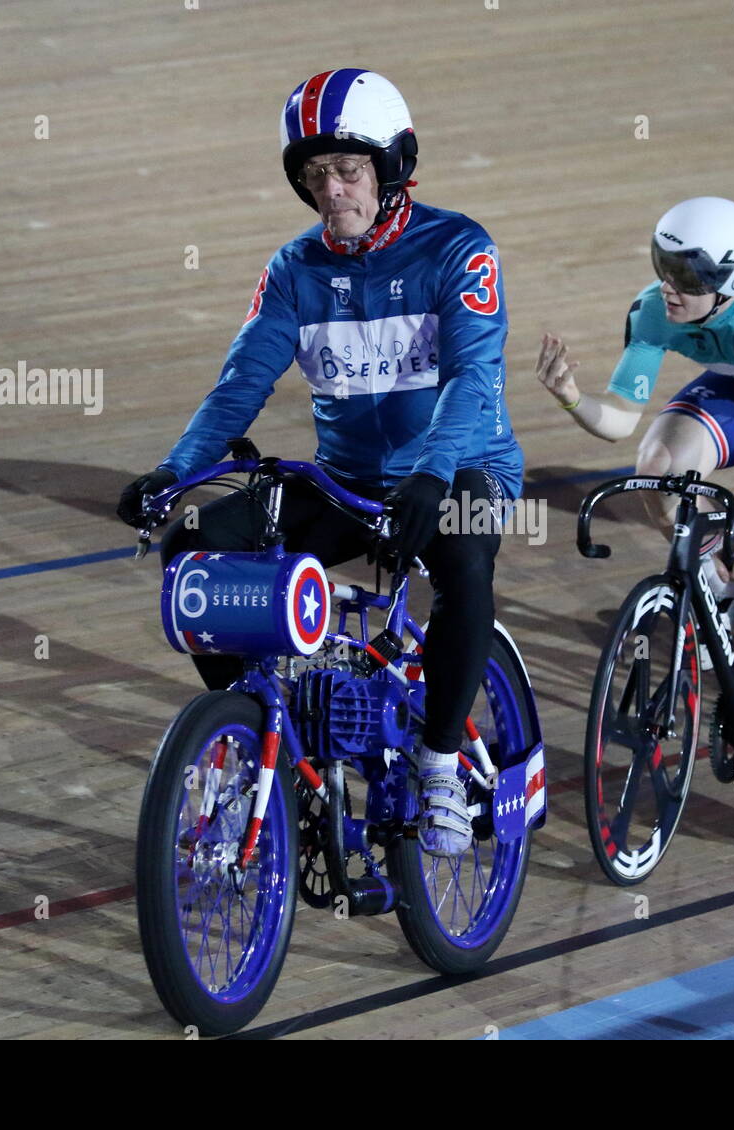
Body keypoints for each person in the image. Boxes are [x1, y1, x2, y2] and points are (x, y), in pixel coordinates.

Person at [115, 68, 523, 858]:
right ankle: (250, 735)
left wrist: (431, 477)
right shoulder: (295, 269)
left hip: (458, 467)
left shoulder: (459, 249)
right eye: (315, 177)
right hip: (347, 482)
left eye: (347, 171)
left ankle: (439, 761)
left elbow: (475, 378)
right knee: (195, 553)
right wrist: (173, 473)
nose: (331, 192)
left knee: (465, 557)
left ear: (393, 167)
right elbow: (241, 386)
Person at [538, 197, 734, 811]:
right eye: (666, 266)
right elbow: (619, 421)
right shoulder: (654, 309)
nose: (671, 287)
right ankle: (722, 580)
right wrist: (572, 399)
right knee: (658, 473)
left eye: (689, 277)